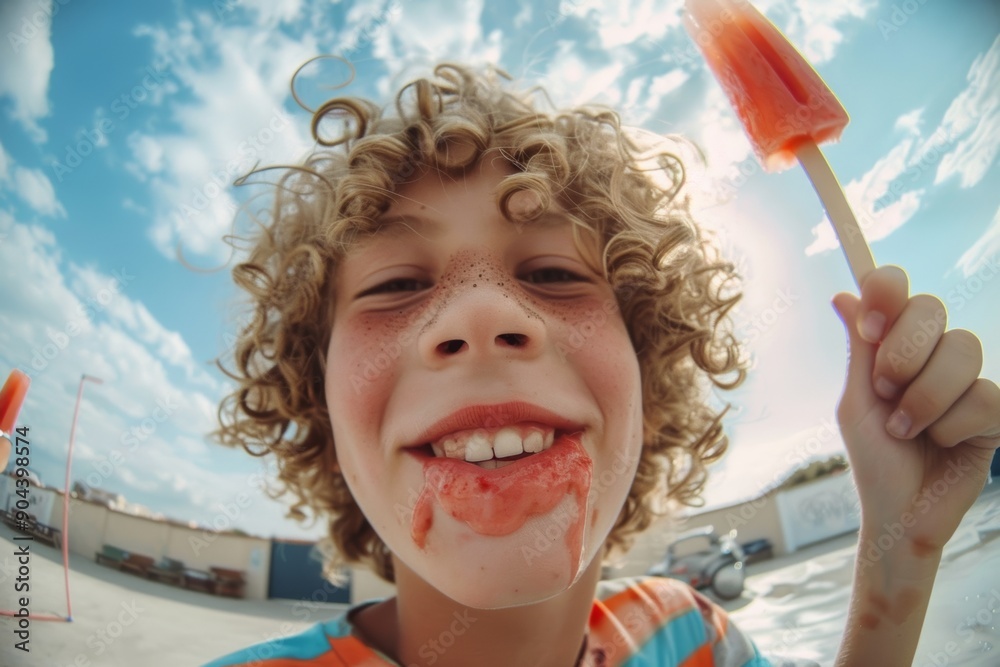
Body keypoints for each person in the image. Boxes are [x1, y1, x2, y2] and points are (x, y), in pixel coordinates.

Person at [205, 62, 1000, 666]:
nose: (483, 315)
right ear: (319, 409)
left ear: (648, 381)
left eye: (554, 274)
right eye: (397, 284)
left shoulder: (694, 638)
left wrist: (900, 548)